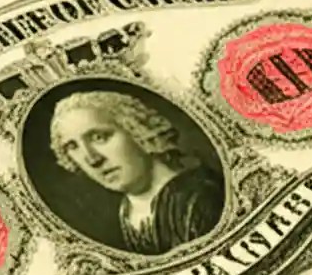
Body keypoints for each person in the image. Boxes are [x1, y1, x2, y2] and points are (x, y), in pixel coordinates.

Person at [49, 90, 225, 255]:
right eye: (73, 147)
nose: (92, 160)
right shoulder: (127, 211)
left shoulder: (199, 197)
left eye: (99, 137)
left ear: (138, 131)